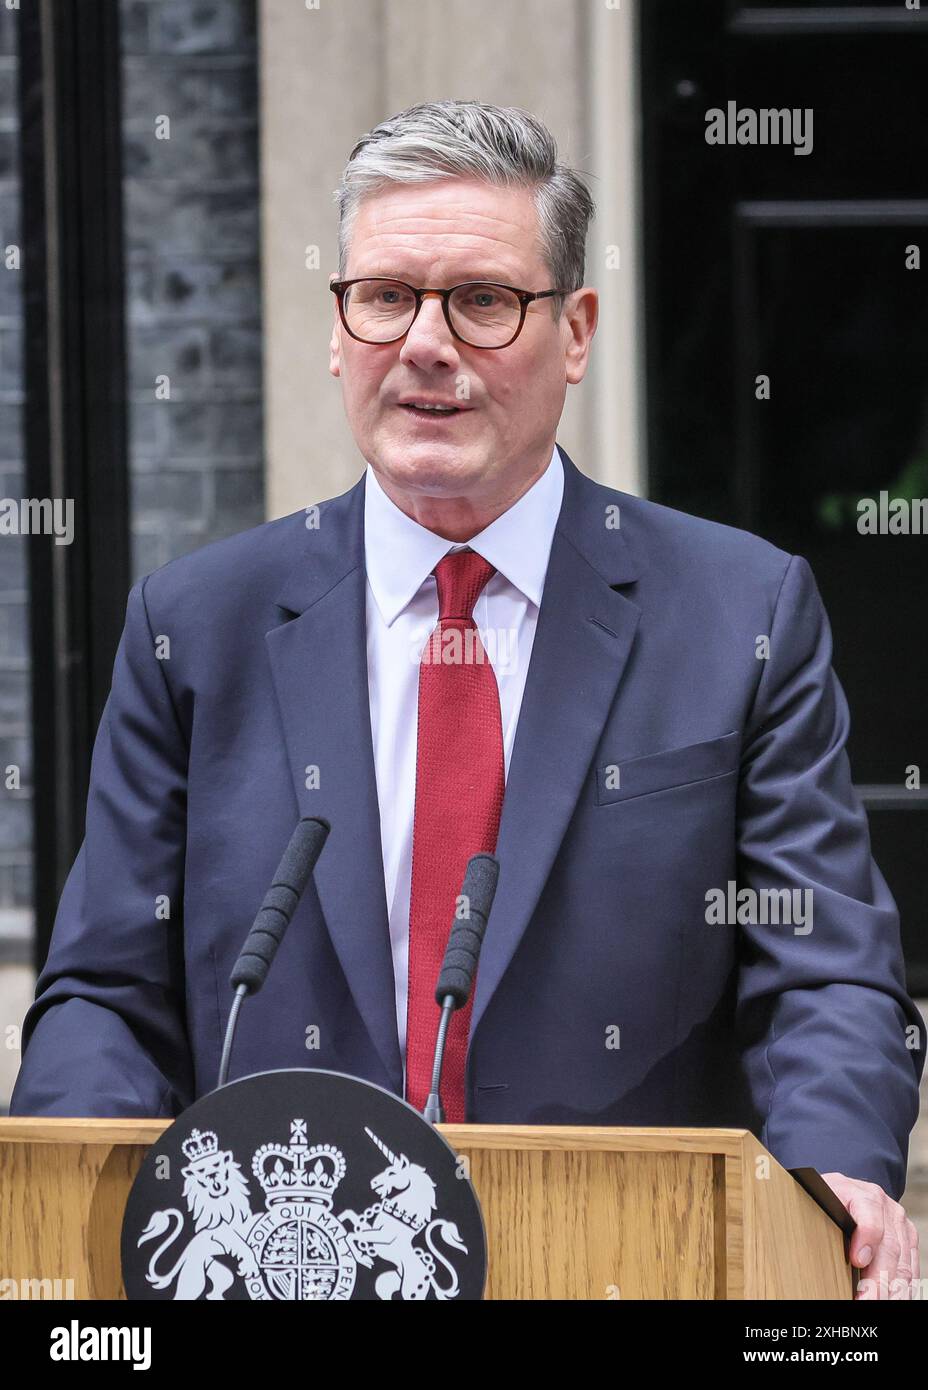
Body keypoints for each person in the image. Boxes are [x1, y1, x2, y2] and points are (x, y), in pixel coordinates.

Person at [12, 100, 923, 1299]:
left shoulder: (738, 612)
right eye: (385, 297)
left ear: (577, 330)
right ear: (338, 331)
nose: (425, 344)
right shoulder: (198, 626)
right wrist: (64, 1208)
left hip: (628, 1269)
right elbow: (106, 994)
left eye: (483, 301)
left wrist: (830, 1185)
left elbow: (821, 970)